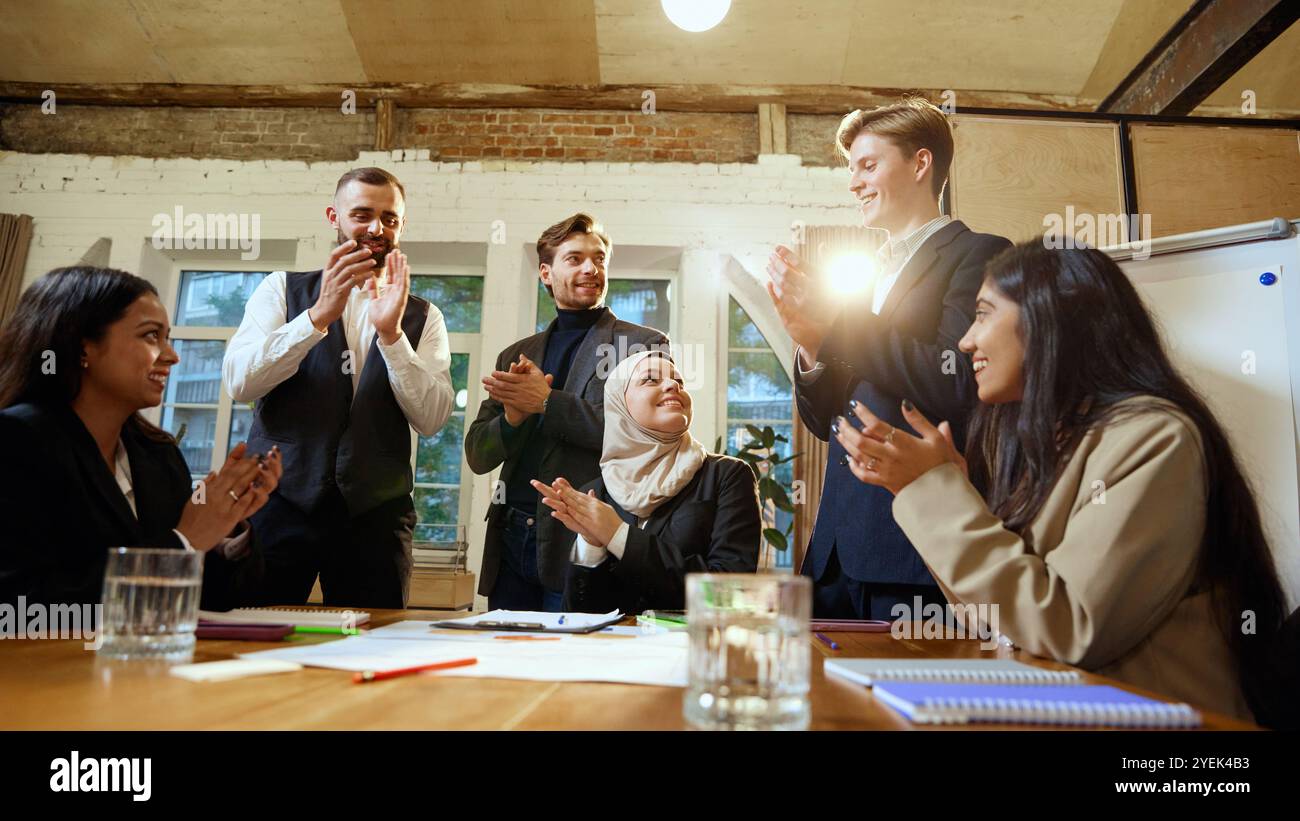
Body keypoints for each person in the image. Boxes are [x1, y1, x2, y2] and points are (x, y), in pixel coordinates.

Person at [832, 242, 1292, 723]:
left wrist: (933, 491)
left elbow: (1070, 629)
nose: (966, 342)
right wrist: (947, 493)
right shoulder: (1048, 444)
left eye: (983, 315)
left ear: (1048, 319)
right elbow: (998, 621)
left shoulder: (1155, 438)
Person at [766, 96, 1012, 620]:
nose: (854, 182)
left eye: (868, 165)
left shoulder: (981, 254)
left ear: (920, 163)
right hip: (833, 548)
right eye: (852, 169)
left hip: (911, 547)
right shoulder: (864, 277)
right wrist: (811, 347)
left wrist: (837, 325)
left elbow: (956, 380)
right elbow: (823, 422)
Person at [222, 167, 454, 608]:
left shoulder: (426, 317)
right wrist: (315, 319)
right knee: (252, 637)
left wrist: (392, 337)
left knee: (376, 649)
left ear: (401, 225)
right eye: (362, 214)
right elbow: (240, 381)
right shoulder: (281, 290)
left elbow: (432, 419)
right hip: (278, 502)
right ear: (334, 217)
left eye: (389, 218)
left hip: (376, 517)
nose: (376, 228)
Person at [0, 266, 279, 609]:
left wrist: (225, 530)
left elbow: (213, 603)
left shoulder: (160, 456)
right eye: (151, 336)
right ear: (81, 346)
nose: (172, 355)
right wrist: (183, 542)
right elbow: (21, 604)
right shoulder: (15, 442)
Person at [465, 214, 668, 611]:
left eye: (599, 258)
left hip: (584, 539)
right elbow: (477, 453)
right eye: (574, 259)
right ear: (546, 272)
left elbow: (641, 437)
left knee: (577, 666)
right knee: (510, 665)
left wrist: (546, 402)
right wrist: (512, 420)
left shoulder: (642, 345)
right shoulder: (515, 354)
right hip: (510, 541)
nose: (591, 268)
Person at [532, 351, 760, 614]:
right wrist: (591, 546)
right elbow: (582, 615)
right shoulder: (596, 495)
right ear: (619, 403)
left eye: (679, 382)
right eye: (650, 380)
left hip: (692, 648)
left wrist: (618, 535)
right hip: (619, 652)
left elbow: (727, 593)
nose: (673, 385)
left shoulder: (727, 475)